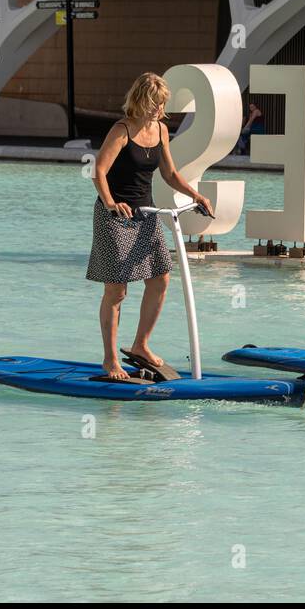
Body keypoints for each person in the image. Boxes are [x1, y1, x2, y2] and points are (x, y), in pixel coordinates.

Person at [88, 72, 213, 381]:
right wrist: (109, 203)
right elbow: (99, 171)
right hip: (115, 215)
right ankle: (110, 360)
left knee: (160, 279)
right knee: (117, 291)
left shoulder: (160, 130)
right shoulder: (122, 130)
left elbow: (169, 174)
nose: (160, 110)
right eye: (156, 104)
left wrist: (195, 194)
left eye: (163, 104)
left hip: (147, 214)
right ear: (142, 100)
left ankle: (141, 345)